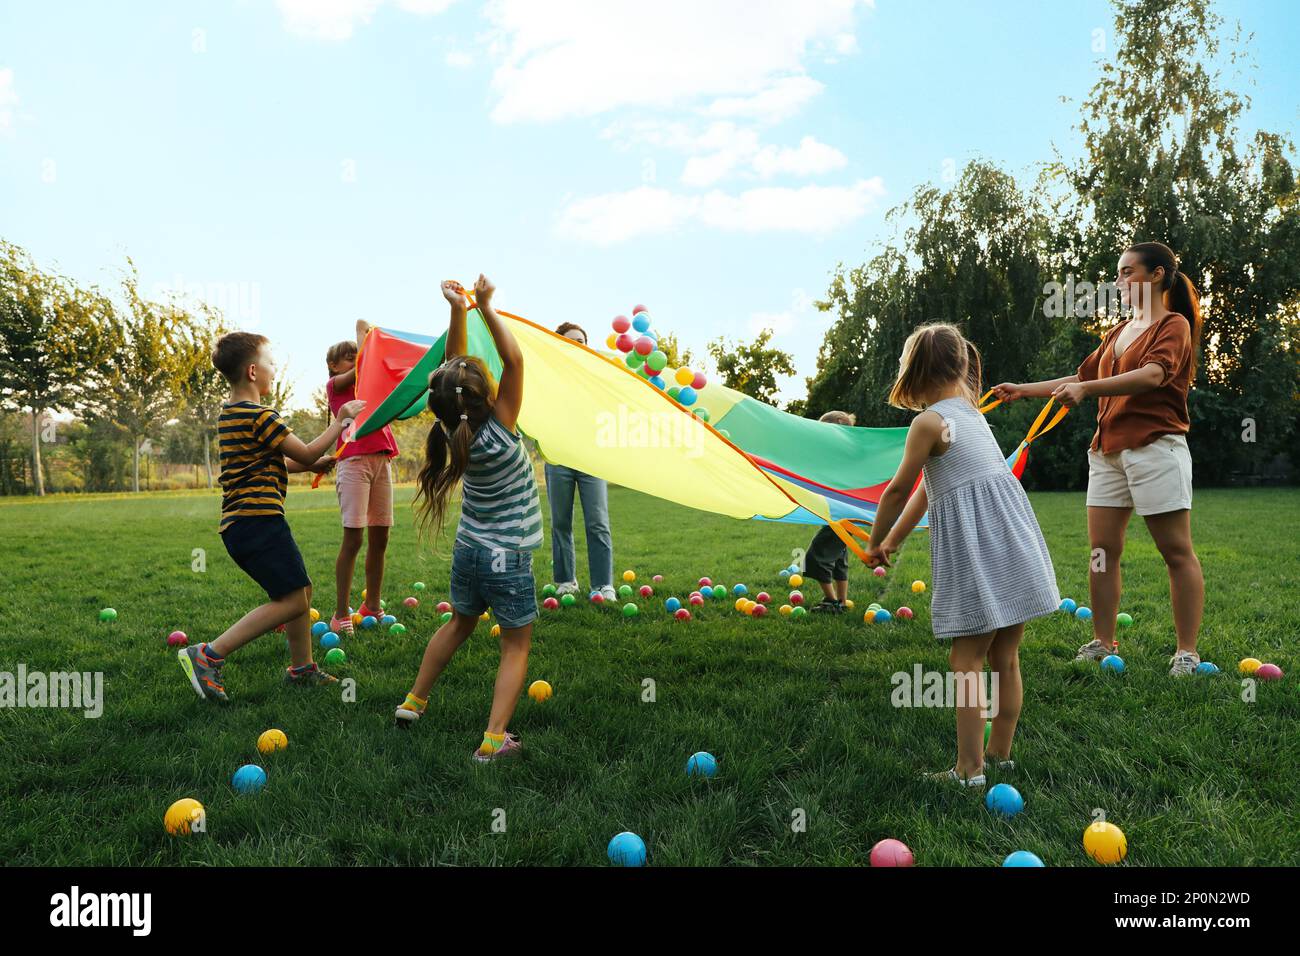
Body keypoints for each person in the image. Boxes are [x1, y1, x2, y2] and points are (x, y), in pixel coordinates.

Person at [993, 241, 1204, 675]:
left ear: (1158, 275)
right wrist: (1023, 389)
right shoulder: (1119, 331)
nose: (1119, 280)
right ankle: (1102, 640)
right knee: (1101, 552)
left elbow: (1153, 375)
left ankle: (1186, 651)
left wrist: (1087, 391)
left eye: (1128, 272)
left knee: (1176, 551)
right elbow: (1083, 376)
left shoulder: (1174, 324)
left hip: (1155, 448)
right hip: (1106, 452)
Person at [869, 323, 1059, 788]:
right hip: (1014, 545)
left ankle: (969, 770)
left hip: (979, 553)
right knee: (1006, 657)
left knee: (966, 662)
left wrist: (875, 539)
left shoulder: (928, 423)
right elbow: (930, 490)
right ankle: (1001, 755)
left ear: (911, 372)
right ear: (960, 366)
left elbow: (897, 490)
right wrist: (896, 540)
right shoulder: (971, 416)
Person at [394, 275, 542, 763]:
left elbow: (450, 373)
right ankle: (494, 740)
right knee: (515, 646)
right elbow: (515, 359)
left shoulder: (449, 430)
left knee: (459, 623)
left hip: (469, 553)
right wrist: (486, 306)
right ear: (483, 397)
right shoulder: (501, 428)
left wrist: (460, 310)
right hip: (508, 557)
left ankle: (414, 702)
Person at [178, 331, 364, 702]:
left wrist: (317, 461)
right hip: (259, 520)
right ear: (252, 371)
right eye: (270, 363)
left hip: (243, 524)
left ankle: (301, 669)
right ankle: (209, 654)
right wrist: (340, 420)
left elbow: (280, 462)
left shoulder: (232, 415)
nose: (273, 371)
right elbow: (308, 453)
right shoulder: (261, 415)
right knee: (294, 600)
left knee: (300, 590)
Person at [323, 321, 398, 636]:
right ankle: (340, 613)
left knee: (380, 538)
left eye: (358, 354)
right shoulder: (336, 388)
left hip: (381, 459)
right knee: (354, 539)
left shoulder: (370, 385)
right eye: (348, 356)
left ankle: (372, 606)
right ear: (333, 366)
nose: (356, 358)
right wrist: (363, 338)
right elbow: (361, 371)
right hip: (353, 462)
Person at [545, 321, 616, 602]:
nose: (578, 344)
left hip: (590, 458)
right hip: (558, 456)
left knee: (598, 522)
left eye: (582, 341)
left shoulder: (595, 376)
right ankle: (565, 581)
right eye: (572, 340)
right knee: (560, 521)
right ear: (560, 343)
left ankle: (603, 585)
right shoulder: (548, 377)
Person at [805, 410, 857, 613]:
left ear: (838, 424)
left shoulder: (844, 453)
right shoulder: (846, 453)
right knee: (838, 558)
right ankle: (842, 602)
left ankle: (831, 601)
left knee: (814, 556)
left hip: (842, 516)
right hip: (844, 514)